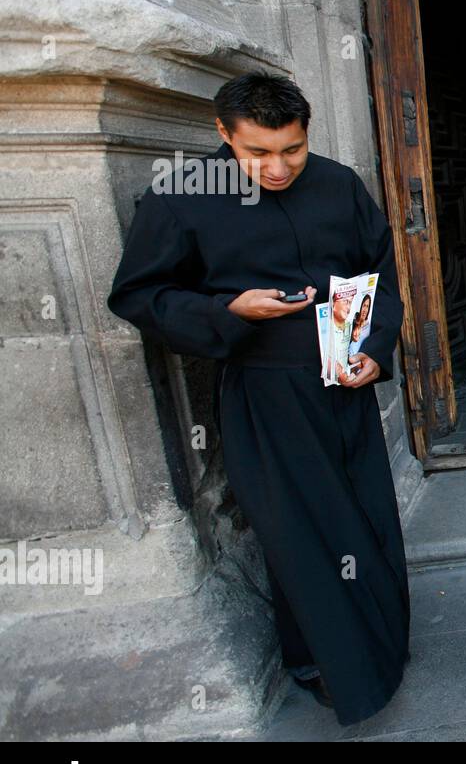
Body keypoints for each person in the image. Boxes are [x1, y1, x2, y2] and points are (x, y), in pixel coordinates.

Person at [106, 71, 409, 725]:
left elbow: (378, 273)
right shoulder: (182, 196)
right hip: (265, 390)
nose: (277, 168)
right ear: (223, 133)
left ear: (307, 134)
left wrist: (375, 347)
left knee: (366, 518)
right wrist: (227, 308)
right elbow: (138, 296)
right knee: (301, 534)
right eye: (257, 153)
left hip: (345, 378)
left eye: (292, 149)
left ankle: (381, 649)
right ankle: (330, 667)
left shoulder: (338, 184)